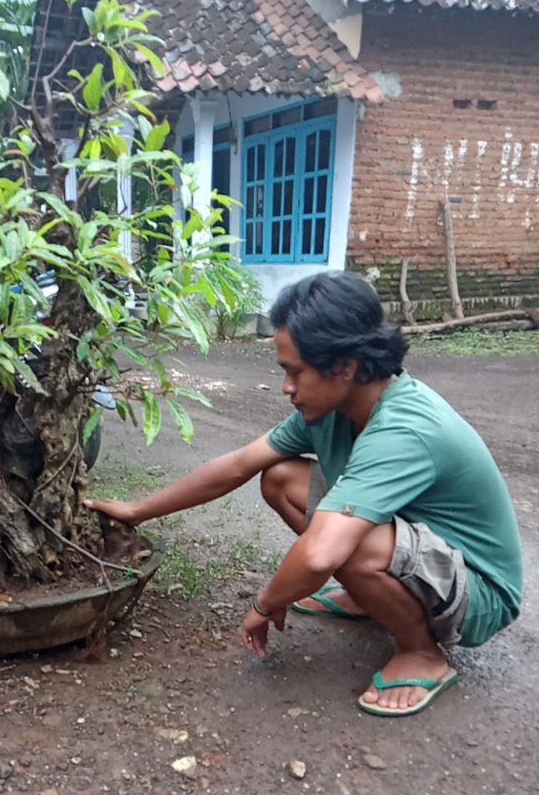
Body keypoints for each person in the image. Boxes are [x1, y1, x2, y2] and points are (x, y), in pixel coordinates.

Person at [85, 271, 522, 717]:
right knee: (280, 478)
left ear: (346, 366)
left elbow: (318, 555)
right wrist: (137, 510)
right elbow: (239, 465)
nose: (286, 387)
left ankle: (422, 652)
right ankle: (370, 598)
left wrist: (266, 602)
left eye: (295, 372)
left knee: (337, 544)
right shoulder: (334, 408)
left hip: (478, 591)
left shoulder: (405, 427)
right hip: (421, 548)